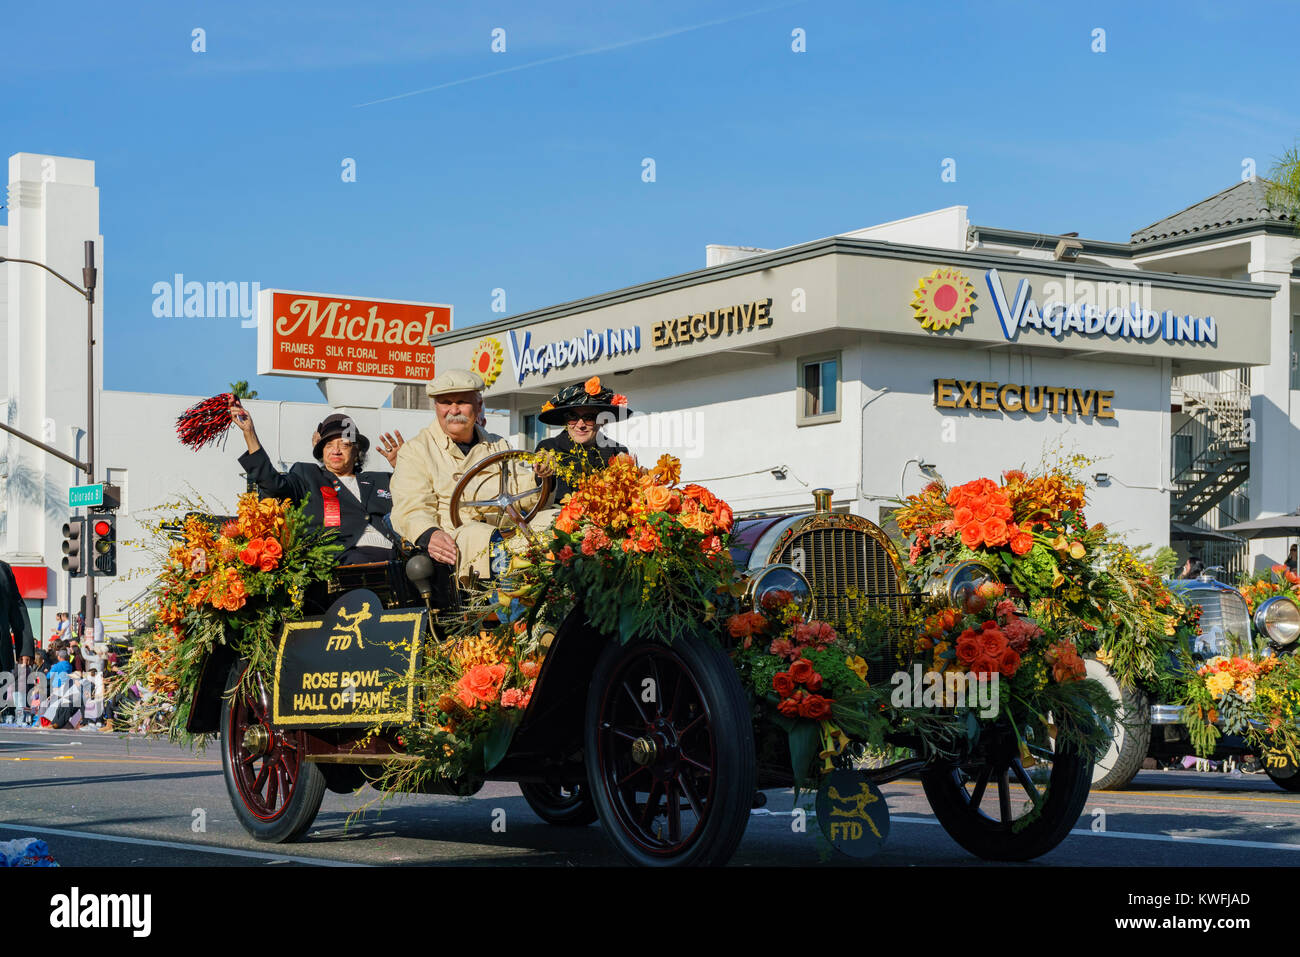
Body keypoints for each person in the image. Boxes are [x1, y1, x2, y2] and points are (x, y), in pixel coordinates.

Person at [390, 369, 545, 581]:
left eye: (462, 402)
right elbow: (411, 507)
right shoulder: (416, 450)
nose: (453, 410)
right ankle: (515, 609)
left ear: (479, 406)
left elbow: (522, 493)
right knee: (488, 539)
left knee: (554, 522)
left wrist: (539, 477)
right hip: (458, 538)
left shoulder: (498, 445)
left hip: (508, 530)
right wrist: (430, 534)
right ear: (436, 407)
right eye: (445, 402)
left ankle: (573, 603)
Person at [231, 400, 405, 564]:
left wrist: (405, 466)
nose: (336, 450)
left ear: (356, 451)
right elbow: (272, 484)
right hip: (344, 558)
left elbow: (417, 498)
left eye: (344, 444)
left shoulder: (382, 479)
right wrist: (249, 433)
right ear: (321, 451)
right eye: (329, 444)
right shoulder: (308, 475)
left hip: (396, 554)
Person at [533, 376, 634, 506]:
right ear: (565, 422)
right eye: (572, 417)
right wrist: (543, 471)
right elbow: (542, 486)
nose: (580, 424)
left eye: (589, 418)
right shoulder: (548, 448)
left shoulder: (618, 451)